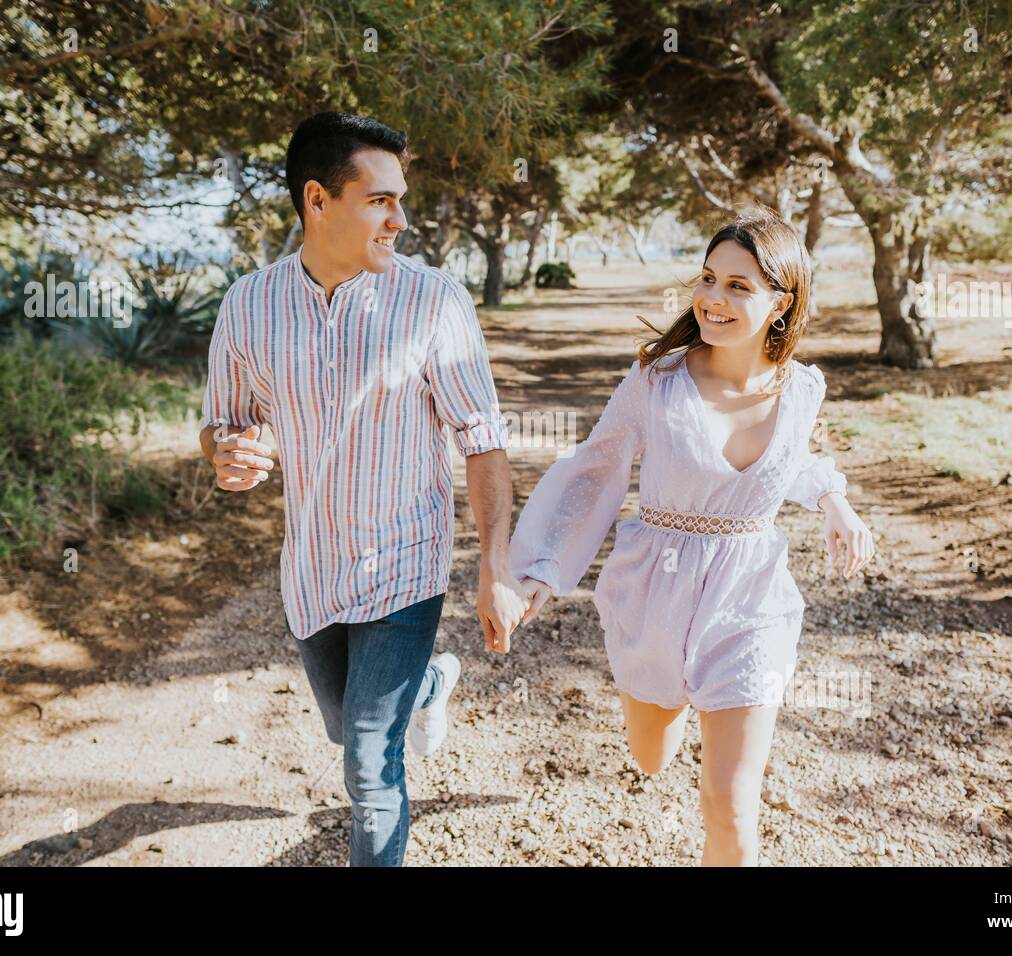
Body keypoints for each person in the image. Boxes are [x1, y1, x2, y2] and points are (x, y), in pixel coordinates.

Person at [198, 111, 528, 866]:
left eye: (400, 199)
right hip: (312, 568)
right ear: (318, 201)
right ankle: (431, 685)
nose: (400, 219)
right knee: (344, 727)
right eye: (381, 199)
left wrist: (494, 563)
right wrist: (228, 454)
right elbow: (223, 422)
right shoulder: (247, 305)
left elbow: (483, 439)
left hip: (405, 564)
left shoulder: (435, 301)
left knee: (370, 768)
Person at [509, 208, 876, 866]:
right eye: (710, 278)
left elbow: (793, 459)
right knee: (652, 757)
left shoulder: (802, 390)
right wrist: (542, 567)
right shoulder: (657, 380)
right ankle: (668, 702)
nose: (713, 297)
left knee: (730, 806)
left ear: (780, 301)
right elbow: (595, 471)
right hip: (655, 587)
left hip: (750, 599)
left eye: (739, 286)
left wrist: (833, 499)